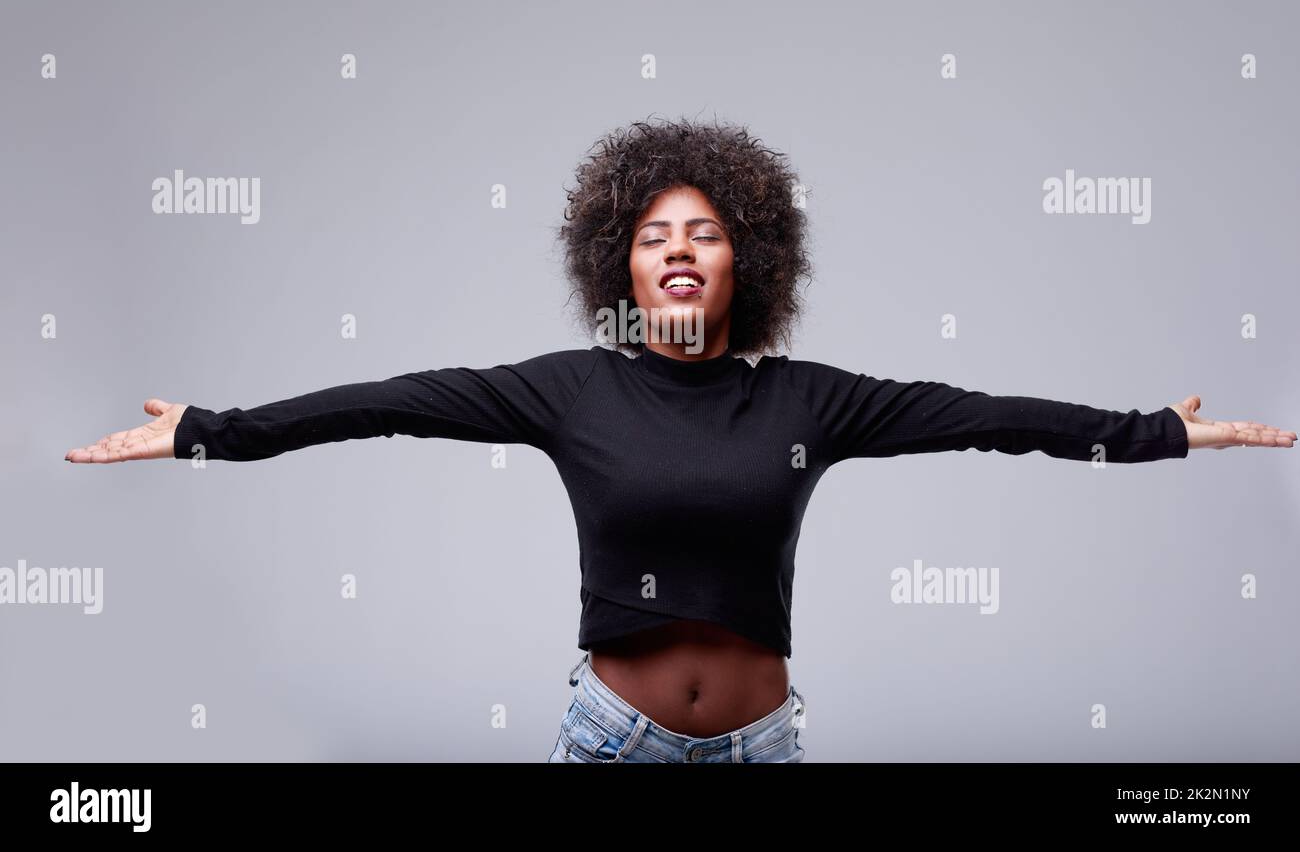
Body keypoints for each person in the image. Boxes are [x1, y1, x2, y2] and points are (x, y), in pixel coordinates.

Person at [65, 116, 1296, 763]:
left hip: (764, 744)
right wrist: (205, 434)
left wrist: (1149, 434)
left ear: (743, 261)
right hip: (610, 742)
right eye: (654, 234)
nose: (676, 249)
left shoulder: (813, 402)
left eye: (702, 231)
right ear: (619, 262)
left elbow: (980, 419)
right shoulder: (567, 390)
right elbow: (387, 398)